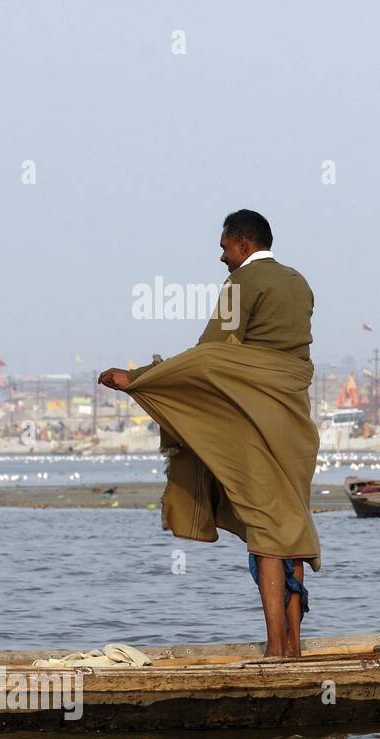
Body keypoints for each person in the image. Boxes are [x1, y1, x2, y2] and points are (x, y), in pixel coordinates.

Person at [98, 209, 318, 658]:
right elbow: (283, 360)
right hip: (294, 423)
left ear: (242, 244)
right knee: (290, 523)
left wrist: (141, 378)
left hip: (256, 422)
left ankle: (276, 651)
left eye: (223, 248)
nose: (221, 258)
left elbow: (210, 352)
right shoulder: (299, 282)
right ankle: (294, 647)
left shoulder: (241, 283)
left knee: (268, 532)